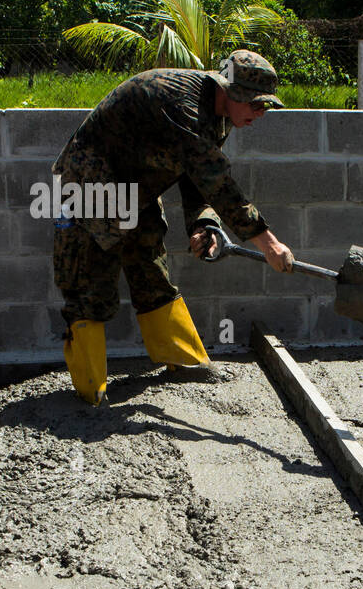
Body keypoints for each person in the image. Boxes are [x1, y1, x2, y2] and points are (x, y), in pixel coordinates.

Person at [51, 50, 296, 405]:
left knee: (150, 265)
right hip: (93, 182)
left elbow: (196, 179)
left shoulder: (217, 116)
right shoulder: (183, 104)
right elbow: (219, 183)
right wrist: (269, 244)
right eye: (256, 105)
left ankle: (183, 361)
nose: (260, 114)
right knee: (91, 281)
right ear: (230, 91)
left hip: (137, 186)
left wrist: (203, 224)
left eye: (265, 107)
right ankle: (92, 390)